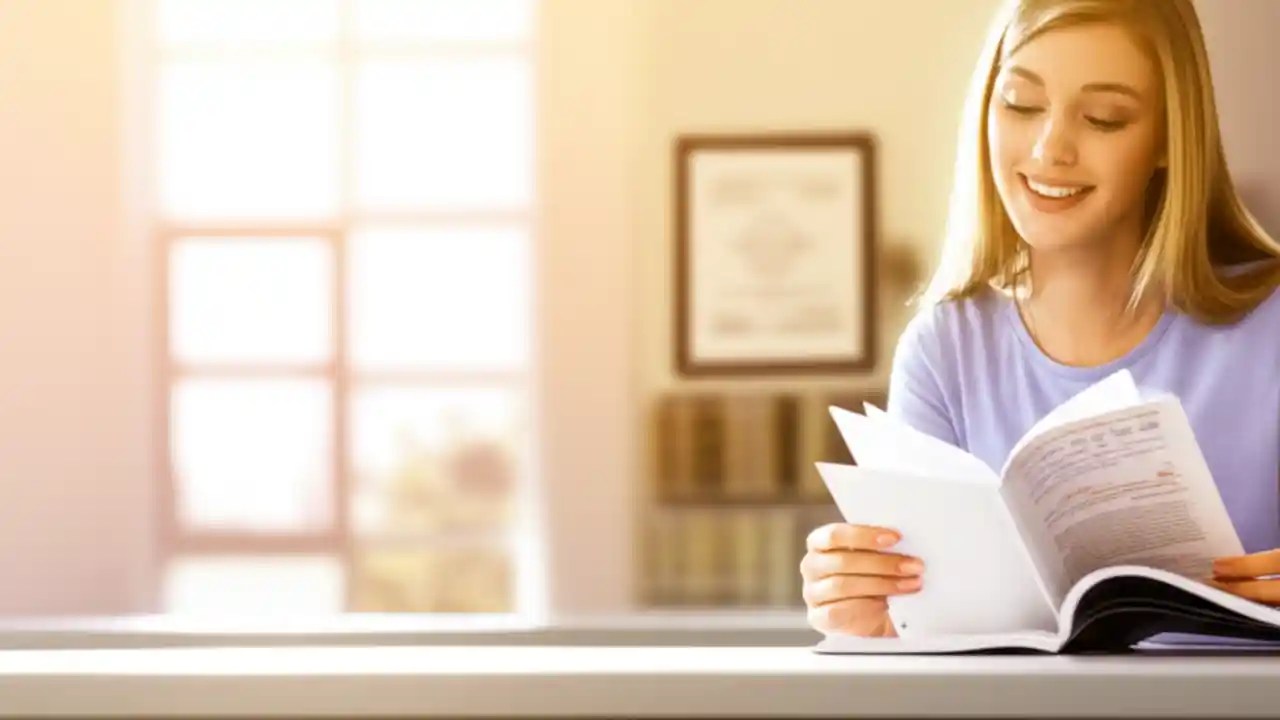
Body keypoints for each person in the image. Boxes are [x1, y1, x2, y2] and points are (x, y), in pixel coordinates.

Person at [801, 0, 1280, 638]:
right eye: (1022, 104)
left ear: (1169, 140)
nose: (1051, 147)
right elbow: (933, 637)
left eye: (1105, 118)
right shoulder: (945, 348)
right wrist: (873, 611)